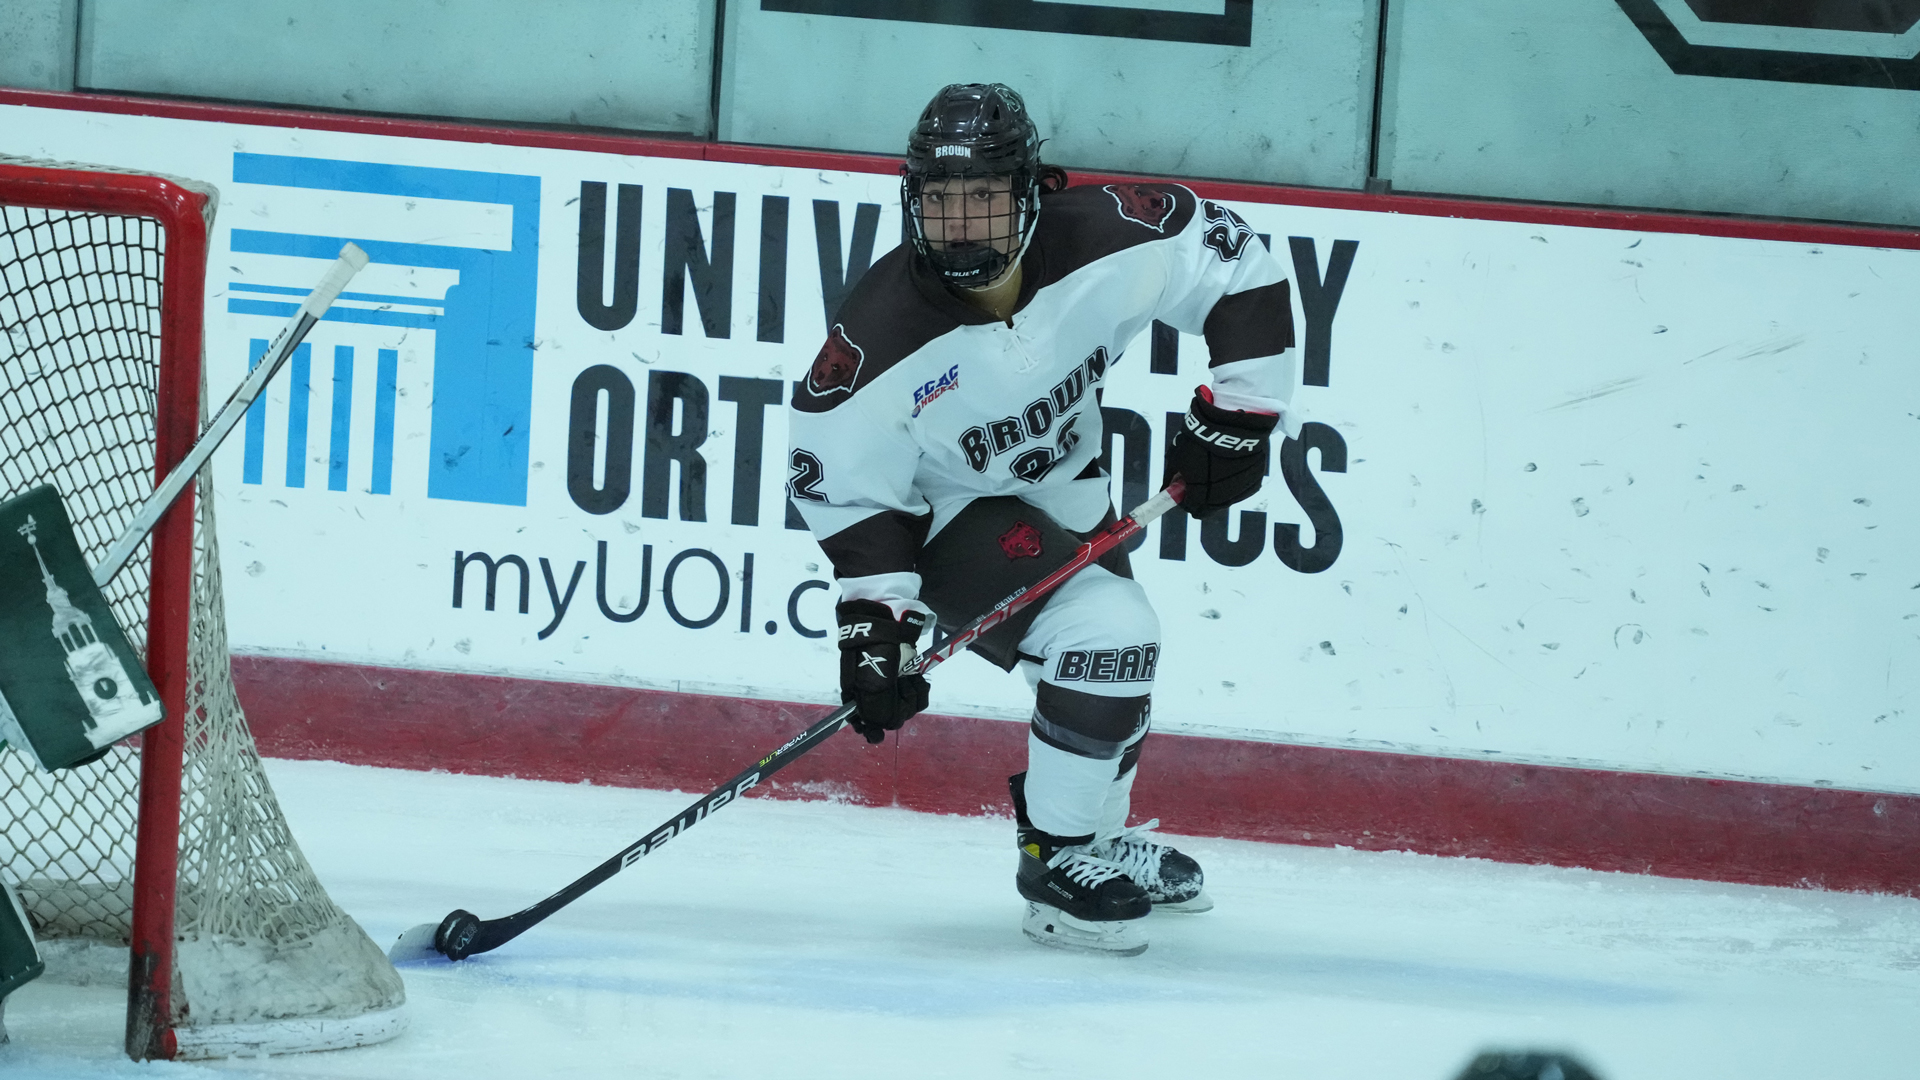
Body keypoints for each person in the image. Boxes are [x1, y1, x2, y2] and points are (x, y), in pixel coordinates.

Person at [786, 83, 1302, 955]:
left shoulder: (1113, 235)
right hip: (947, 508)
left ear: (1032, 193)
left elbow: (1237, 259)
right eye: (941, 202)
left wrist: (1243, 416)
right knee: (1109, 630)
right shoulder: (876, 341)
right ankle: (1056, 865)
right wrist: (877, 621)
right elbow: (841, 484)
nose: (961, 226)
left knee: (1117, 662)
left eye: (983, 199)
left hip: (1065, 478)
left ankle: (1095, 840)